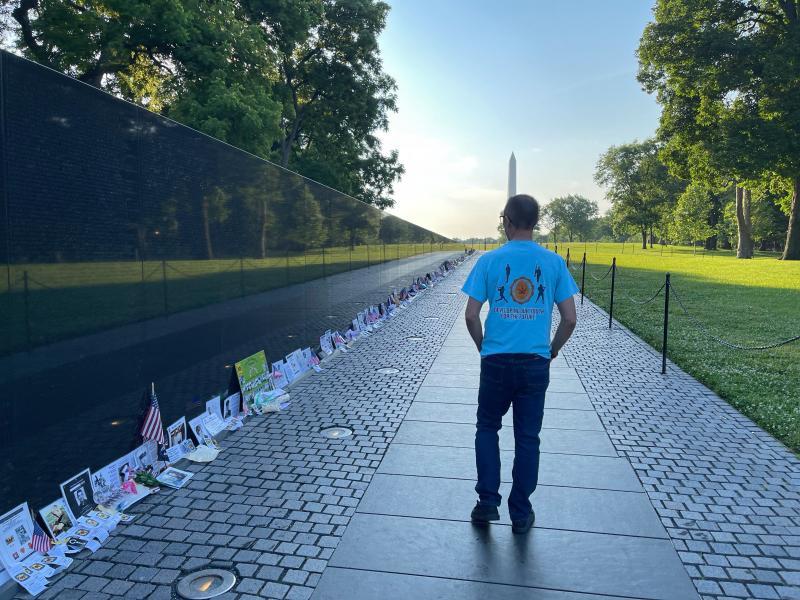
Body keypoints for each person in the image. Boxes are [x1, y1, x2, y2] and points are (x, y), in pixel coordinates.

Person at [461, 193, 578, 534]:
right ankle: (521, 511)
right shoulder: (553, 262)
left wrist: (485, 348)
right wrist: (552, 351)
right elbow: (569, 319)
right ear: (535, 223)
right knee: (528, 438)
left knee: (487, 428)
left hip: (496, 360)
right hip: (534, 362)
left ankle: (487, 502)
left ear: (507, 222)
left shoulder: (489, 261)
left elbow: (471, 315)